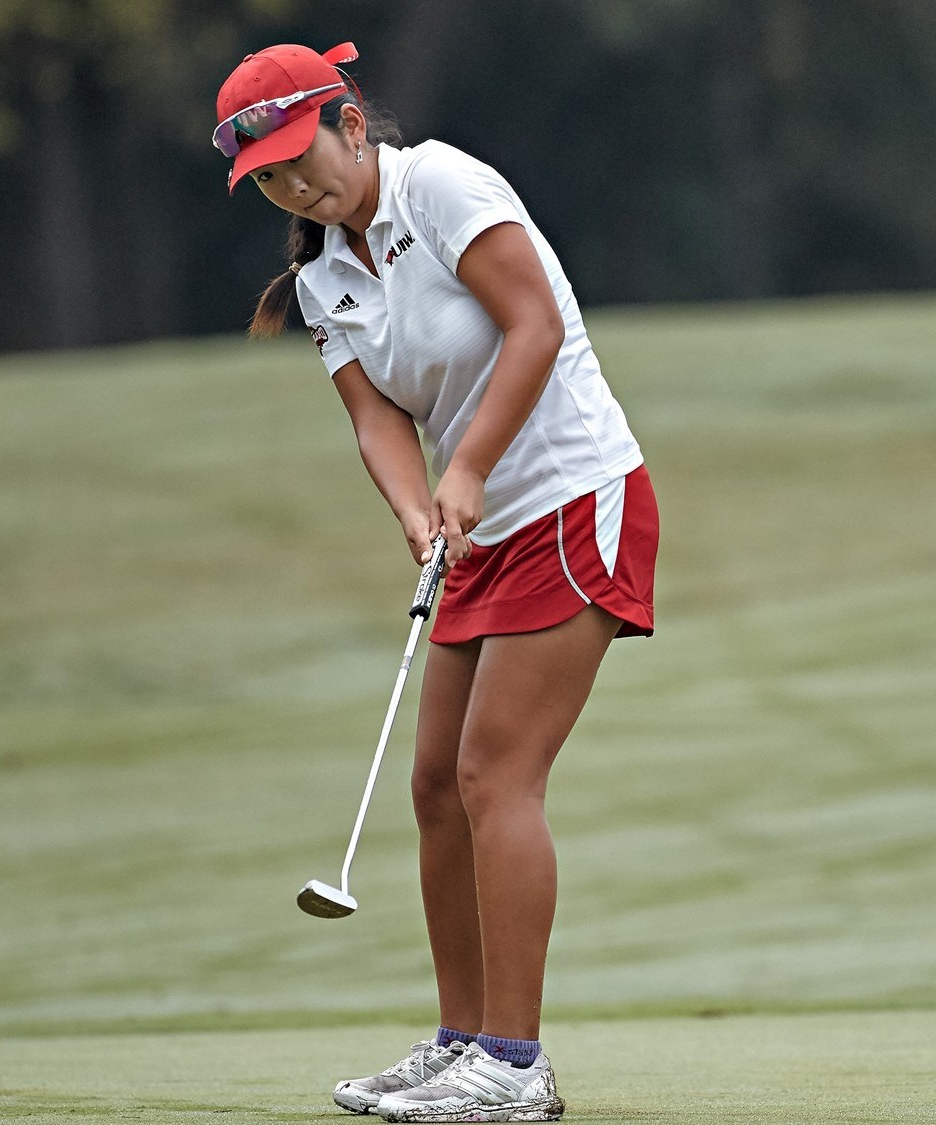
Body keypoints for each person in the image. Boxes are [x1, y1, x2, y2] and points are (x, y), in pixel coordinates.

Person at [214, 42, 657, 1124]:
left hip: (569, 497)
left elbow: (535, 326)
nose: (290, 185)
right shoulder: (325, 273)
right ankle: (464, 1042)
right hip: (477, 531)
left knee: (495, 776)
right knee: (432, 787)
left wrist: (463, 469)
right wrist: (418, 512)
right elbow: (375, 417)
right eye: (266, 176)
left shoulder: (445, 185)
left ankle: (513, 1066)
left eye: (296, 156)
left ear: (349, 123)